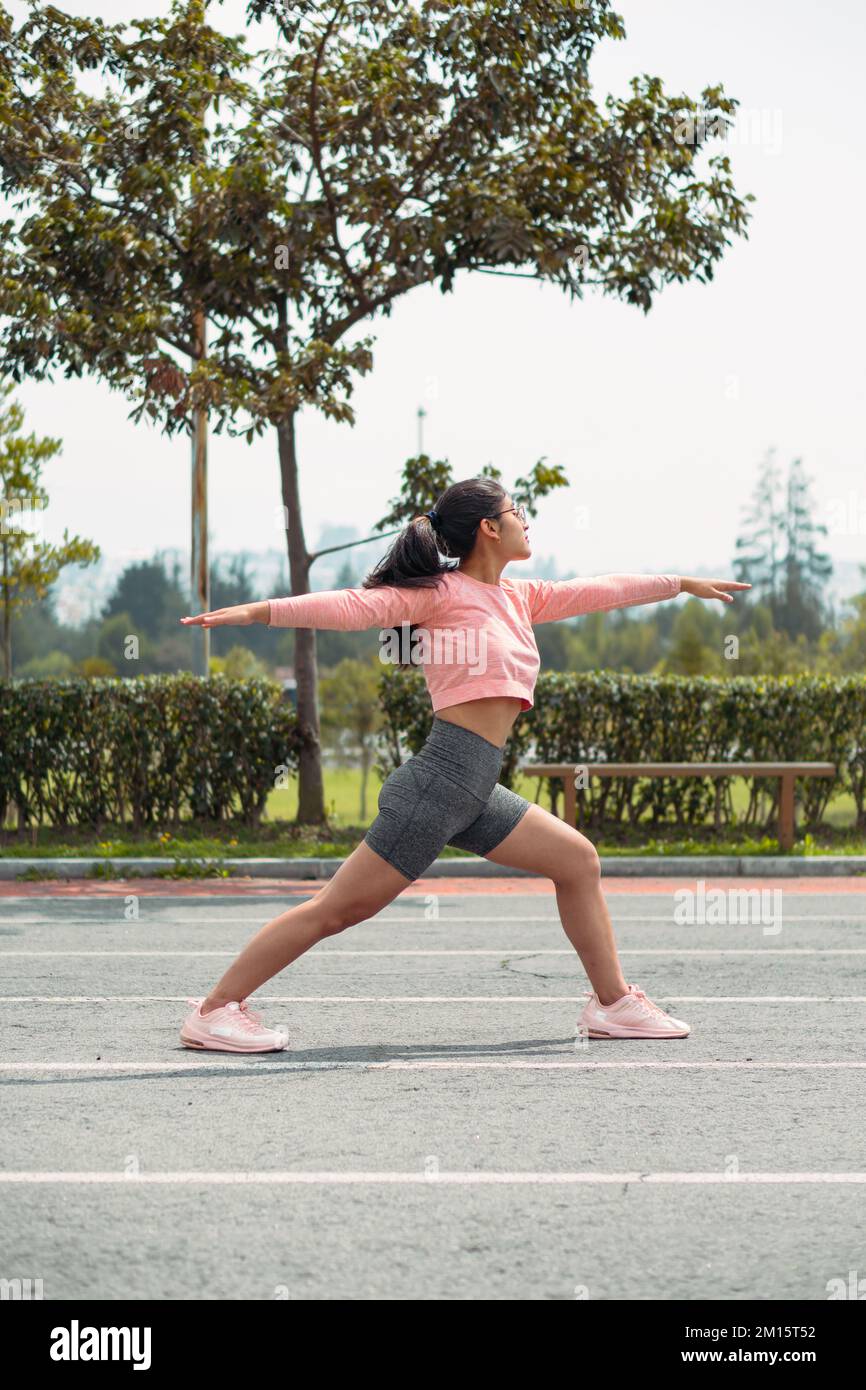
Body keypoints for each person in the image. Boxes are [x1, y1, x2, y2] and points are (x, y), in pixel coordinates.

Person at [177, 476, 749, 1050]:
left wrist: (677, 583)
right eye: (517, 510)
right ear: (489, 528)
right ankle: (215, 1009)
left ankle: (614, 1004)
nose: (527, 520)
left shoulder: (520, 596)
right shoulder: (441, 594)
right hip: (440, 784)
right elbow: (354, 607)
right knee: (337, 910)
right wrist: (257, 612)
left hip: (476, 789)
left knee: (577, 861)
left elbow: (600, 589)